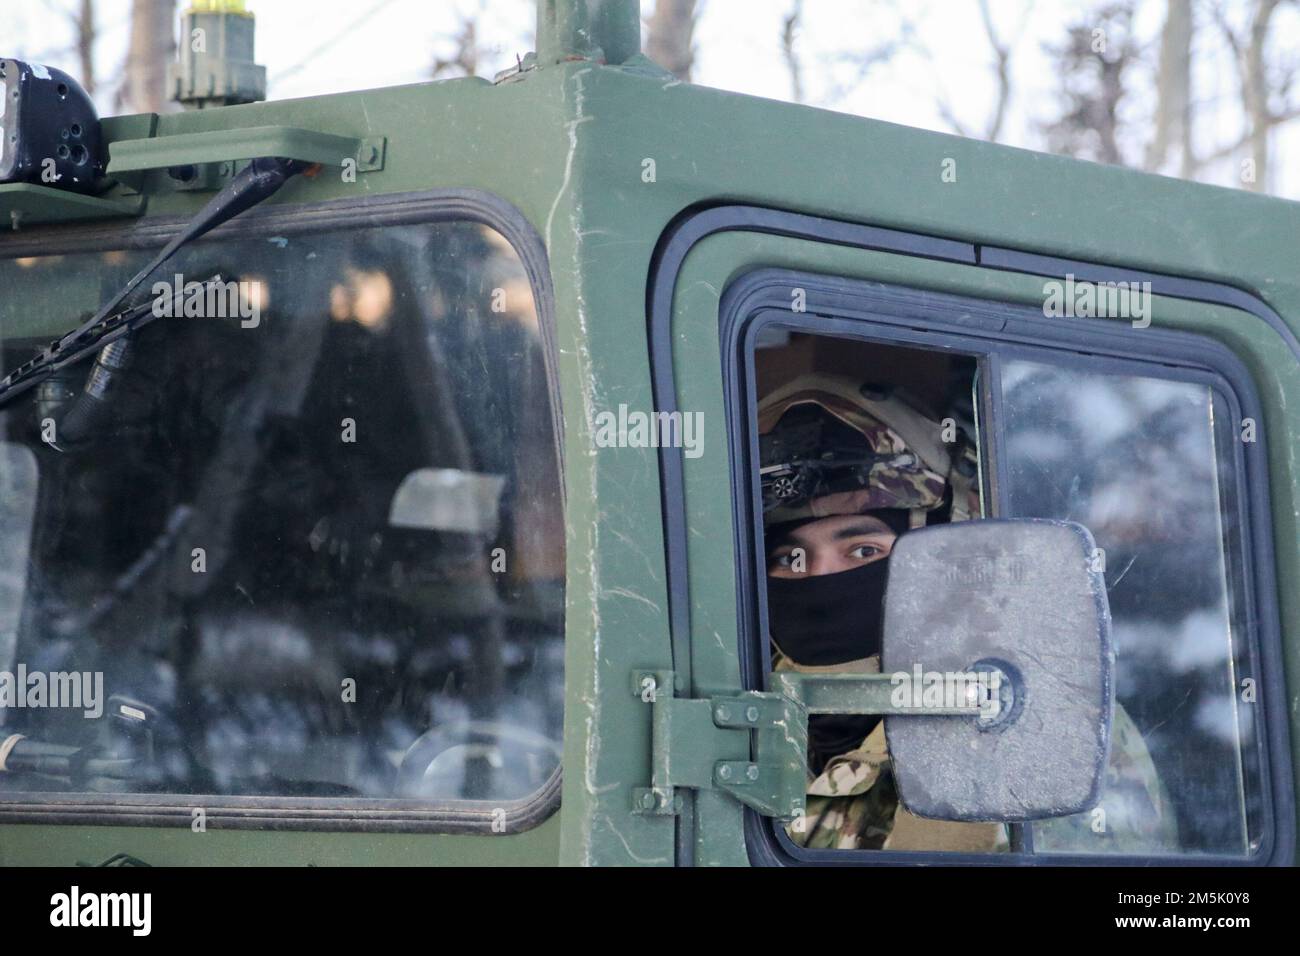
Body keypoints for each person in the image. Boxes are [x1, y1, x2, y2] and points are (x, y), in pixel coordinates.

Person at [759, 370, 1179, 853]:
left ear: (948, 557)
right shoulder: (741, 714)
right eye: (788, 558)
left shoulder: (1025, 720)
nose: (818, 579)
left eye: (863, 551)